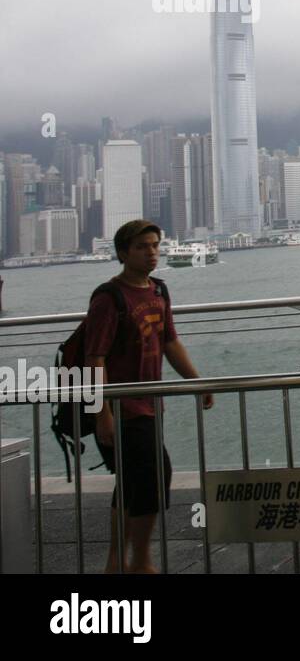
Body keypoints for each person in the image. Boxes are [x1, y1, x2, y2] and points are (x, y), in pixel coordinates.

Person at [85, 219, 212, 573]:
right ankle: (135, 561)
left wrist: (196, 382)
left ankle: (123, 562)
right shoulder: (109, 298)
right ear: (123, 253)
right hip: (122, 407)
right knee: (154, 475)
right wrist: (102, 413)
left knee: (133, 483)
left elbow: (170, 341)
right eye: (142, 246)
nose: (151, 252)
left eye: (155, 245)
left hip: (150, 403)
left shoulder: (158, 291)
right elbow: (93, 357)